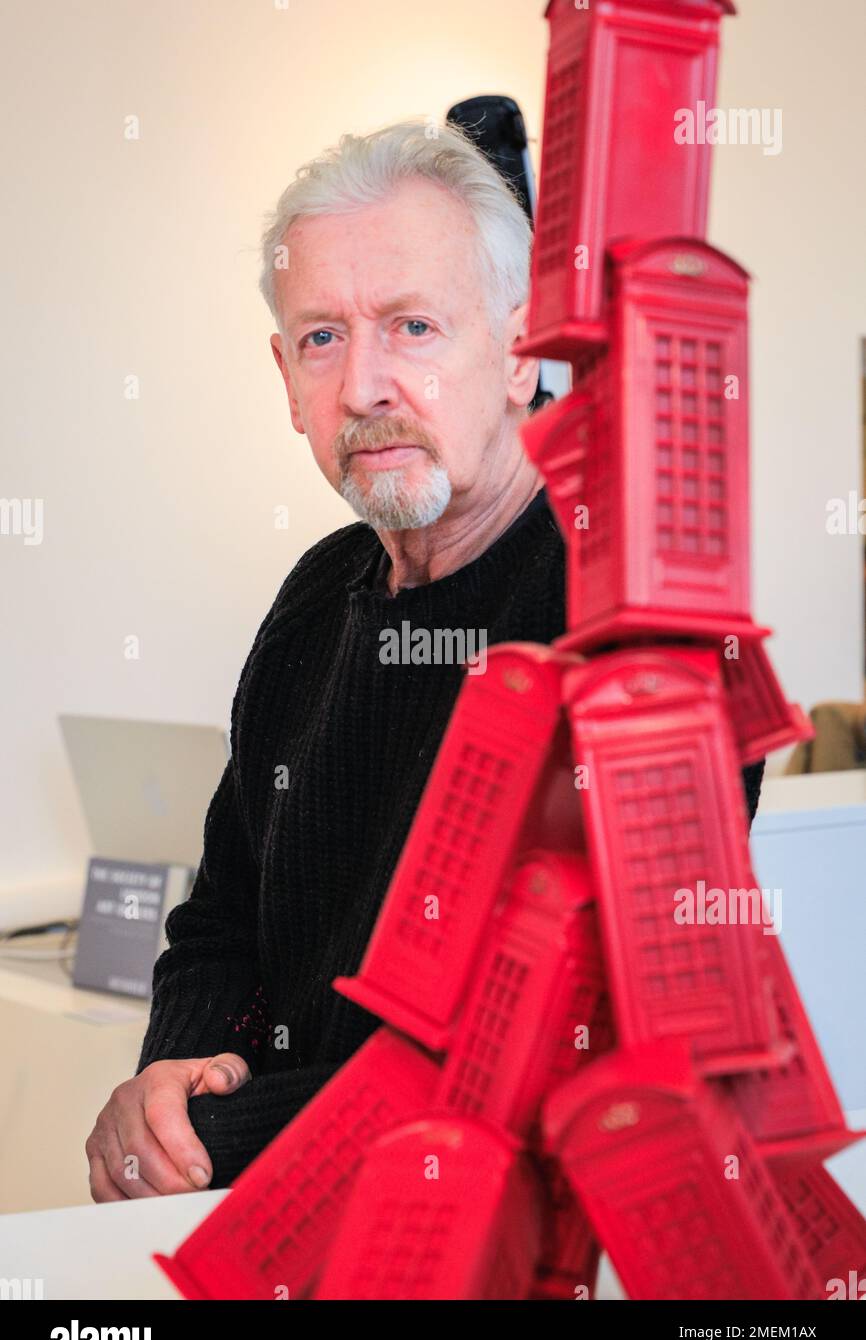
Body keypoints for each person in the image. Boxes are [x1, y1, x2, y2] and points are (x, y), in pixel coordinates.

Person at [85, 120, 765, 1199]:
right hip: (273, 1220)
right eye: (320, 338)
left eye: (412, 326)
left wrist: (225, 1135)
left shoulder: (634, 619)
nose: (362, 385)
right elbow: (222, 920)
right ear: (284, 375)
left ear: (521, 346)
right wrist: (175, 1086)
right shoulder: (316, 597)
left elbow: (550, 1065)